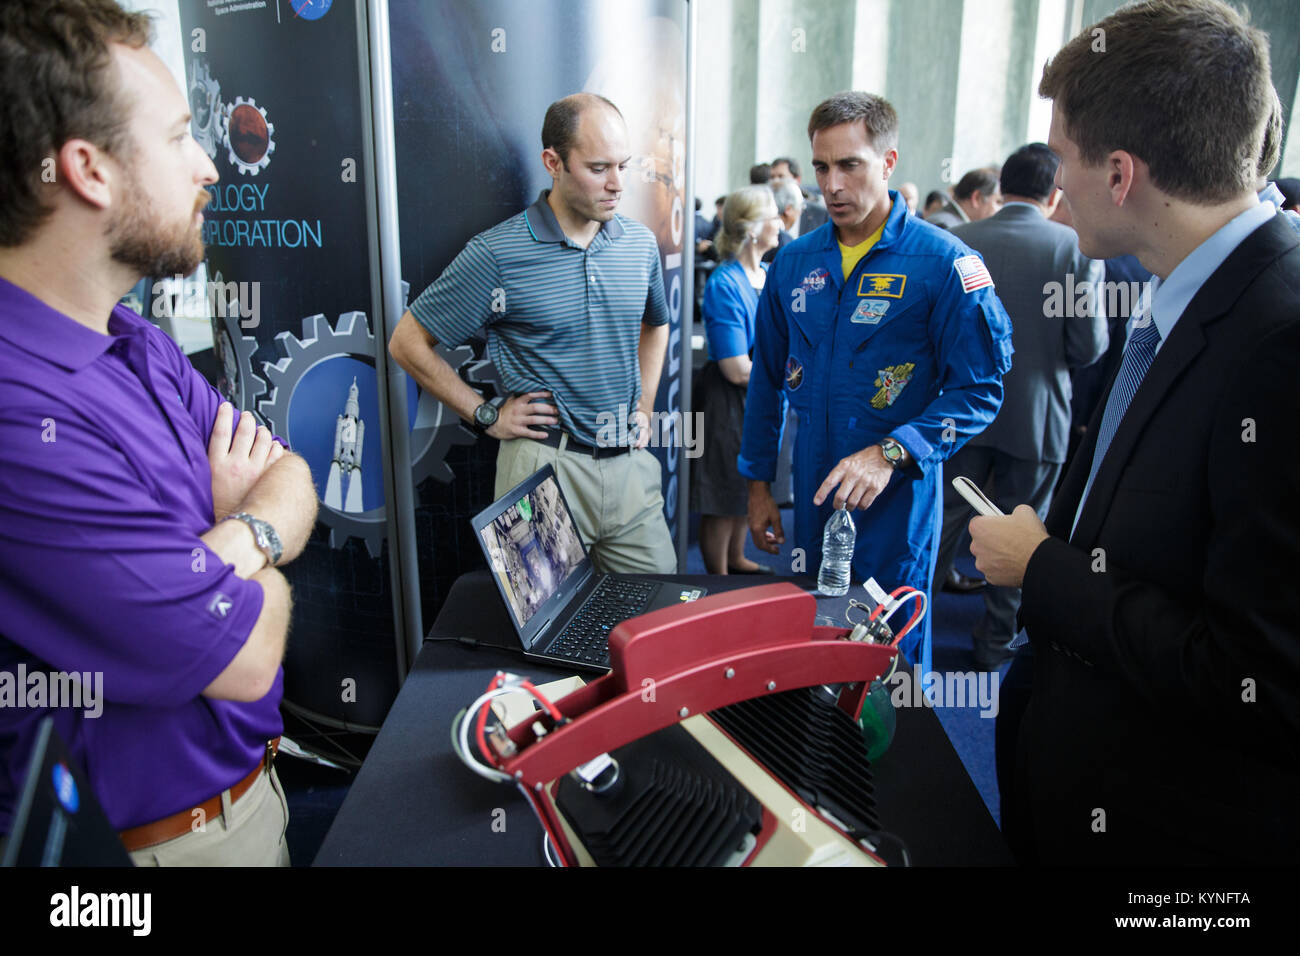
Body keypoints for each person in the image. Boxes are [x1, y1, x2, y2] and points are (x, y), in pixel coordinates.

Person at [969, 0, 1300, 865]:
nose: (1052, 184)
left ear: (1120, 175)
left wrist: (1038, 568)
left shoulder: (1281, 341)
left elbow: (1259, 680)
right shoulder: (1172, 290)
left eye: (1064, 160)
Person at [0, 0, 318, 866]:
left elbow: (288, 474)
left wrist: (233, 537)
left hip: (253, 793)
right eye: (179, 137)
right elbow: (249, 656)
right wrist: (259, 539)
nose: (210, 164)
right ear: (88, 171)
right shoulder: (18, 414)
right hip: (153, 854)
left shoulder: (132, 335)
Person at [740, 91, 1013, 679]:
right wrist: (758, 482)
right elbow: (765, 380)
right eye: (820, 167)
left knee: (886, 666)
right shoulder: (794, 265)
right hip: (812, 498)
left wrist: (895, 451)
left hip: (895, 507)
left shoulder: (943, 265)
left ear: (889, 163)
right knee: (810, 653)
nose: (831, 185)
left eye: (850, 165)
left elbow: (981, 389)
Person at [389, 93, 676, 574]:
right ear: (553, 162)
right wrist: (484, 413)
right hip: (543, 467)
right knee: (546, 639)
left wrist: (645, 405)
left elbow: (657, 324)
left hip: (630, 472)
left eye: (624, 166)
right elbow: (407, 342)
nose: (617, 184)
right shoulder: (497, 253)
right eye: (599, 167)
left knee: (658, 627)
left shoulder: (640, 244)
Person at [935, 144, 1108, 669]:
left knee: (941, 524)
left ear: (1002, 185)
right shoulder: (1072, 248)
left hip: (959, 414)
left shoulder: (954, 240)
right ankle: (993, 644)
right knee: (1022, 531)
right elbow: (1089, 347)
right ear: (1054, 191)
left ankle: (902, 625)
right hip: (1037, 419)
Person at [691, 187, 781, 574]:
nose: (781, 223)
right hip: (727, 405)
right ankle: (719, 577)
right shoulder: (725, 284)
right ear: (751, 228)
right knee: (722, 493)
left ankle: (737, 557)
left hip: (756, 400)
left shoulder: (764, 274)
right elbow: (735, 369)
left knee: (746, 485)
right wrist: (786, 377)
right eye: (773, 215)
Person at [926, 168, 1002, 229]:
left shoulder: (947, 222)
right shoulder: (946, 226)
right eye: (998, 202)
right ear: (976, 198)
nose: (1001, 209)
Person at [771, 156, 829, 234]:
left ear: (797, 180)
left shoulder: (820, 215)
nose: (775, 181)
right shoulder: (767, 212)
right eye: (772, 177)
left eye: (781, 176)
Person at [762, 178, 801, 263]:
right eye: (800, 208)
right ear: (788, 209)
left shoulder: (759, 232)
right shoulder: (784, 240)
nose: (800, 213)